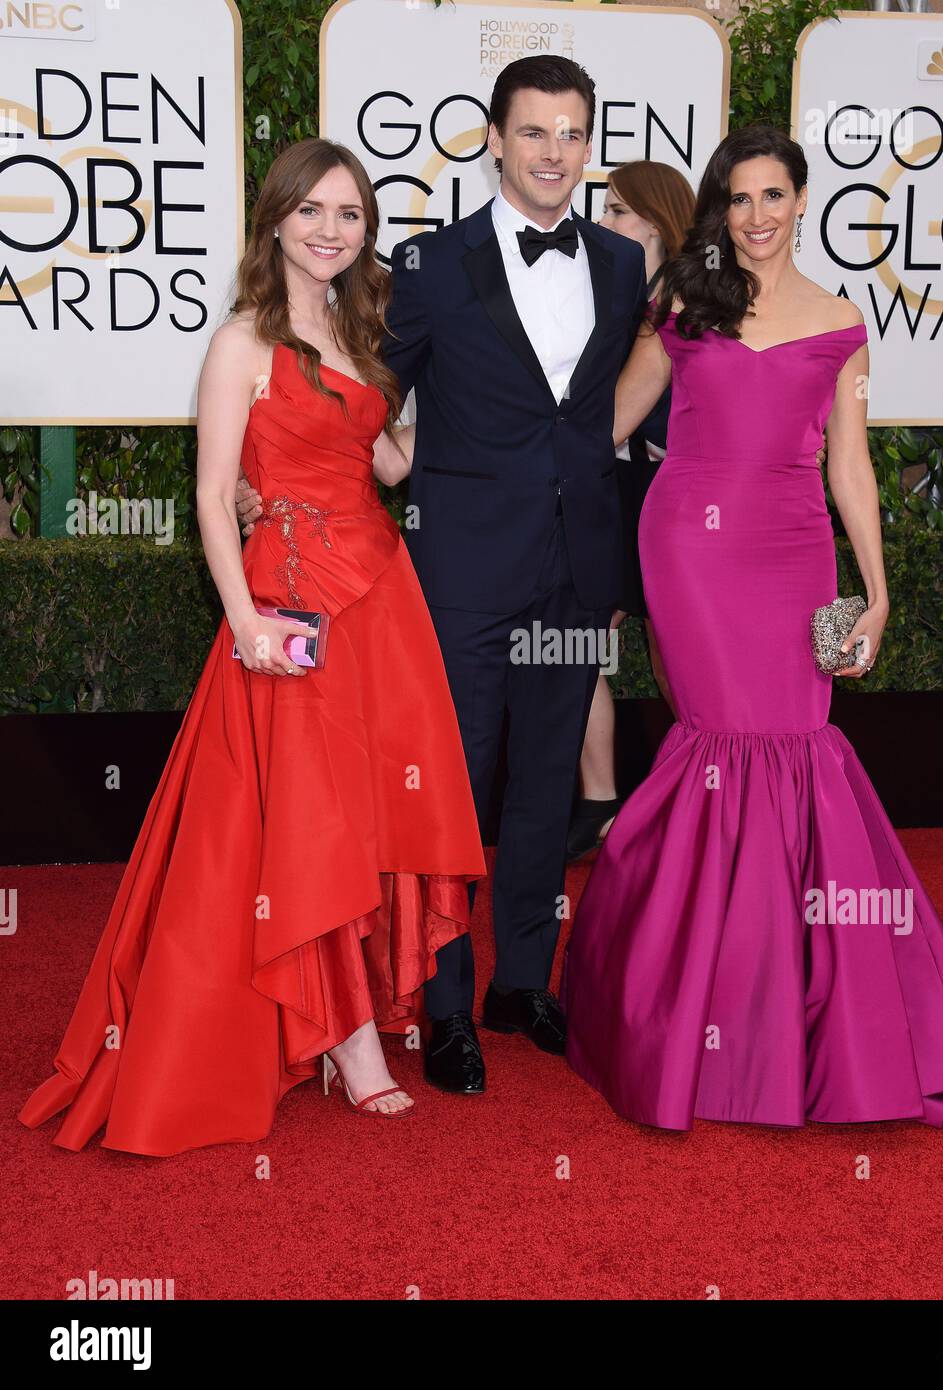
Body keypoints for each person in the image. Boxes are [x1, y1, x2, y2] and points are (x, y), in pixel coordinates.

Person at [562, 126, 943, 1131]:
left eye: (774, 197)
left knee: (799, 748)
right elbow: (613, 424)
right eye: (739, 199)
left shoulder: (843, 319)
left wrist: (877, 591)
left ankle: (794, 1014)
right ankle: (703, 1016)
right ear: (719, 208)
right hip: (694, 550)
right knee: (724, 751)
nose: (756, 217)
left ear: (803, 201)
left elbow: (847, 464)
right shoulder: (684, 300)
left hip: (794, 550)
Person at [18, 138, 485, 1155]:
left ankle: (343, 1013)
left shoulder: (363, 332)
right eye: (311, 210)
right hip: (291, 606)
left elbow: (387, 462)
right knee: (311, 820)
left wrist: (437, 399)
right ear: (274, 221)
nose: (330, 229)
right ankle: (351, 1040)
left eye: (349, 214)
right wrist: (242, 620)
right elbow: (209, 492)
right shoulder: (240, 342)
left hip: (379, 602)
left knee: (367, 808)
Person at [240, 57, 648, 1095]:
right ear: (495, 141)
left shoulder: (615, 262)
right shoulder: (427, 266)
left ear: (586, 143)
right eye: (534, 132)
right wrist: (271, 478)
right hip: (458, 570)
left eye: (571, 133)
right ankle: (449, 1006)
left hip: (575, 565)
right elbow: (362, 396)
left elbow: (603, 412)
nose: (554, 151)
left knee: (548, 779)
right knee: (453, 788)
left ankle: (523, 981)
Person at [566, 162, 695, 864]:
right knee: (578, 644)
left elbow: (616, 423)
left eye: (617, 210)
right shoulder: (622, 298)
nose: (603, 222)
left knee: (678, 662)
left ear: (657, 221)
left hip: (676, 503)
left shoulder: (684, 310)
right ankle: (600, 804)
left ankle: (711, 796)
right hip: (617, 493)